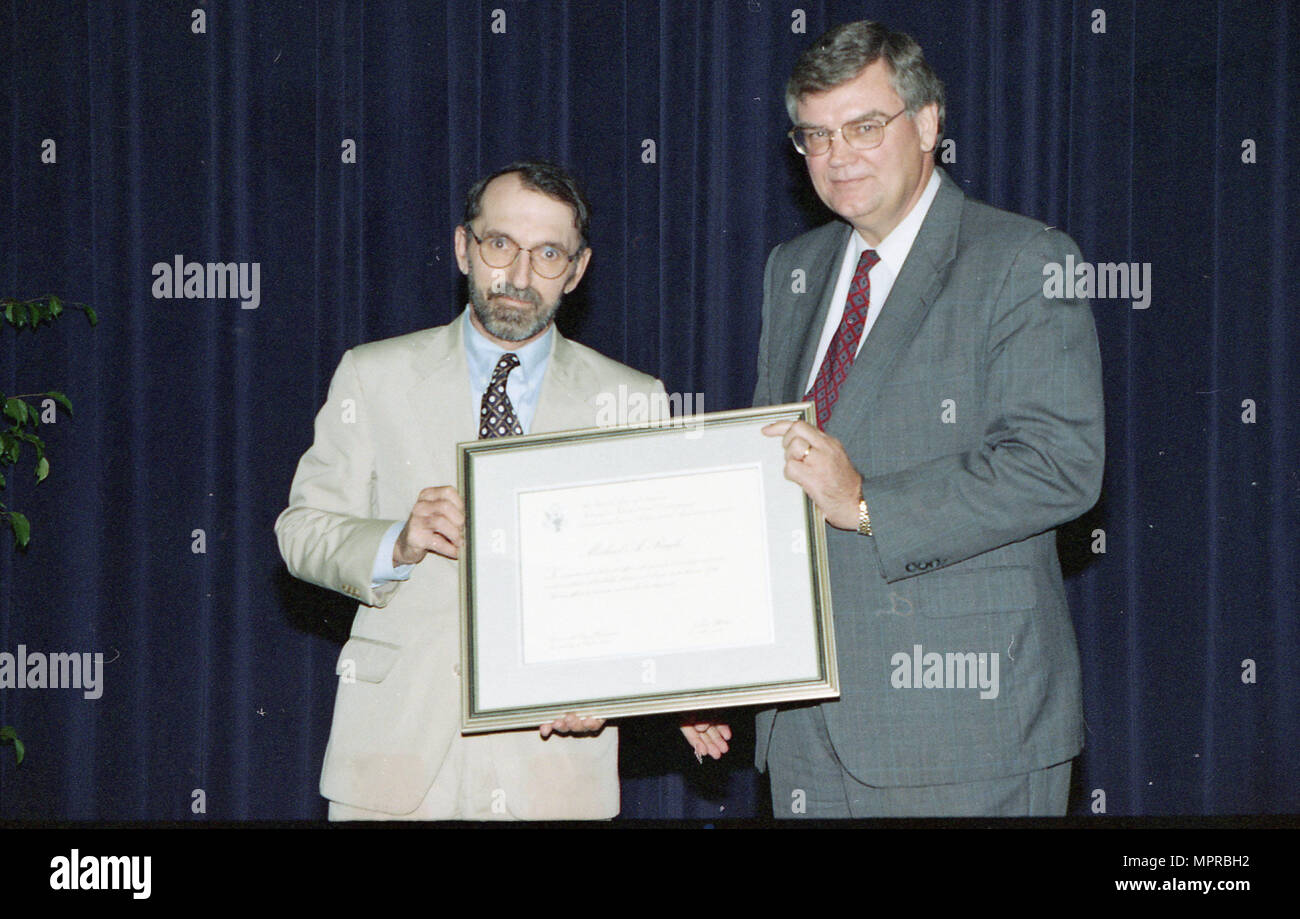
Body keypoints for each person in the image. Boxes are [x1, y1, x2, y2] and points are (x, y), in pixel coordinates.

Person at [276, 161, 728, 820]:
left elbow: (658, 587)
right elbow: (300, 531)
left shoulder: (631, 400)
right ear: (464, 247)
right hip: (393, 766)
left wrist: (653, 690)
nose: (518, 275)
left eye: (548, 253)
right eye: (499, 245)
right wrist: (395, 541)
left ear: (577, 270)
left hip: (557, 770)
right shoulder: (373, 376)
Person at [751, 22, 1104, 816]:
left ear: (930, 124)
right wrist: (727, 667)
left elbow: (1059, 463)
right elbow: (776, 481)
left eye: (864, 127)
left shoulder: (1021, 260)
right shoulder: (794, 271)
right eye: (815, 135)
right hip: (805, 729)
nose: (837, 156)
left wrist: (868, 502)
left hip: (962, 729)